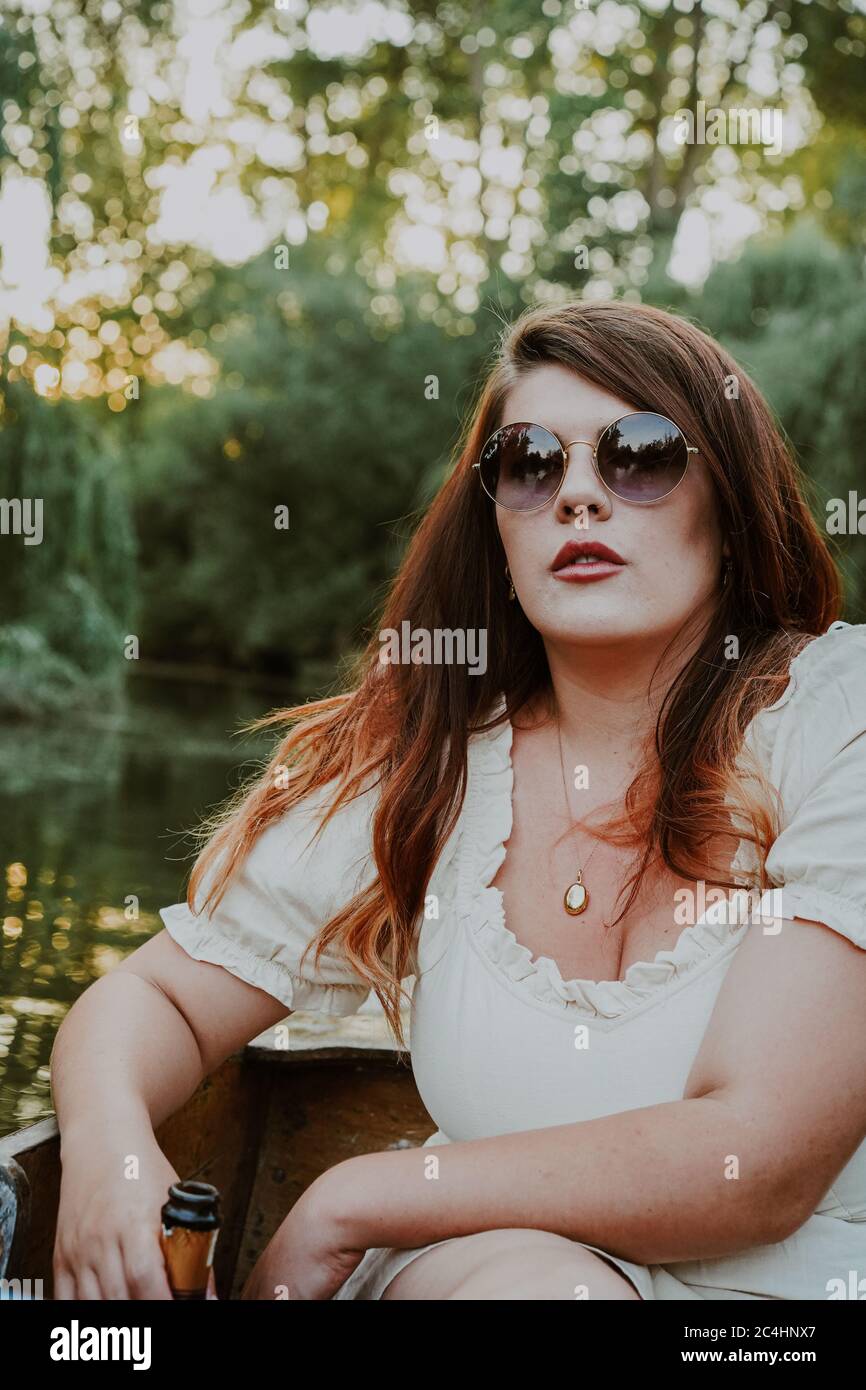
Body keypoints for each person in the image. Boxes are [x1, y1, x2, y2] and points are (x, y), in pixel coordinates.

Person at [50, 300, 866, 1301]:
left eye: (639, 455)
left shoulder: (841, 721)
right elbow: (158, 995)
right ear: (495, 523)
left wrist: (356, 1197)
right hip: (488, 1277)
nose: (575, 495)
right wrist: (109, 1155)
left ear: (730, 506)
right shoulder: (429, 764)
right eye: (527, 463)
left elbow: (759, 1159)